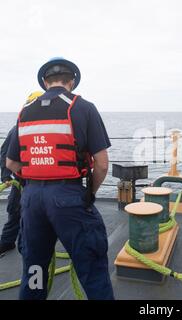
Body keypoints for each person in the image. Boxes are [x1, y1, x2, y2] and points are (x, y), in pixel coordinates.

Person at [6, 57, 114, 300]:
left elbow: (11, 163)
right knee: (92, 269)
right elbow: (102, 164)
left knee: (34, 268)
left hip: (32, 201)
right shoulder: (84, 107)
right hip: (68, 198)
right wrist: (90, 193)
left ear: (45, 82)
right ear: (72, 81)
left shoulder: (25, 112)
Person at [0, 92, 43, 255]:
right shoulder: (17, 129)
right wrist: (6, 176)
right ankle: (7, 241)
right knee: (15, 210)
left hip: (35, 180)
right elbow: (5, 153)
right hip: (22, 179)